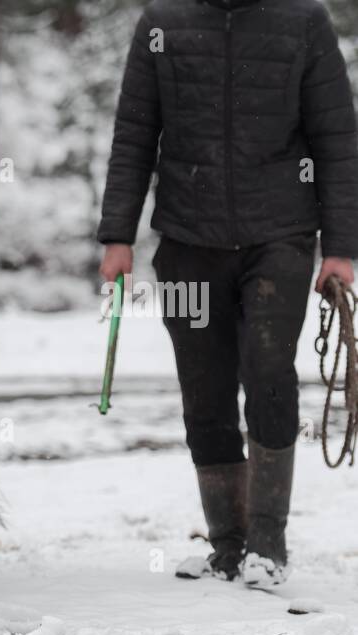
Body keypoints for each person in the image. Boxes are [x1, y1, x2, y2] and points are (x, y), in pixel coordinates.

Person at [97, 0, 357, 588]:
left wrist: (340, 246)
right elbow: (135, 131)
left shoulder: (304, 21)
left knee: (268, 371)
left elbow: (337, 138)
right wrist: (118, 234)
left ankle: (268, 542)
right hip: (188, 239)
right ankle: (228, 545)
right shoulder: (160, 24)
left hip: (281, 236)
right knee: (204, 390)